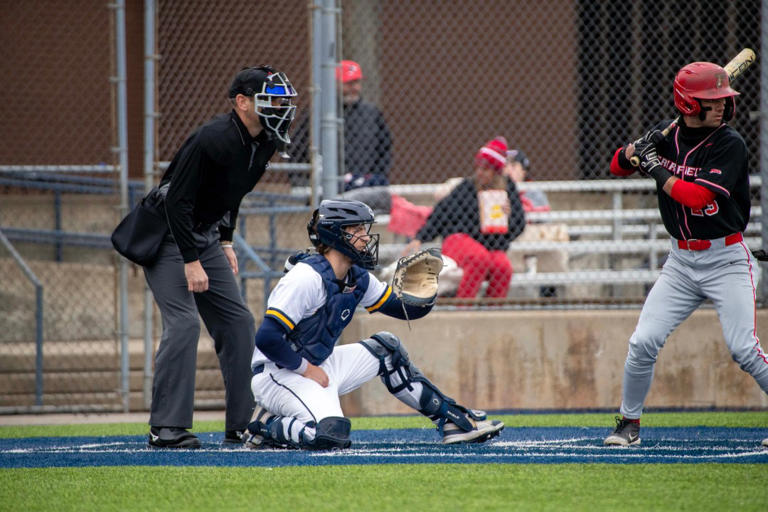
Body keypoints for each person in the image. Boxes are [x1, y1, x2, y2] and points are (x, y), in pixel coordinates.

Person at [243, 199, 504, 450]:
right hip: (279, 372)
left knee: (387, 349)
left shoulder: (357, 278)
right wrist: (306, 369)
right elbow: (267, 338)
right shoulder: (306, 278)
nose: (366, 237)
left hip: (318, 364)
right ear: (335, 235)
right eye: (357, 230)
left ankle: (452, 421)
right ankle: (266, 425)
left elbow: (402, 308)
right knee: (331, 435)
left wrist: (429, 291)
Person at [604, 61, 768, 447]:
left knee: (744, 349)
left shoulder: (730, 143)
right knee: (643, 342)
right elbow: (616, 166)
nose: (723, 105)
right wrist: (635, 151)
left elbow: (696, 197)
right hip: (680, 262)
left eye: (723, 98)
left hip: (726, 259)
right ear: (688, 104)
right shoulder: (667, 135)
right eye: (713, 100)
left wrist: (654, 167)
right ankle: (629, 423)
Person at [143, 65, 297, 449]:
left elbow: (232, 193)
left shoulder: (264, 140)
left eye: (282, 101)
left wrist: (225, 240)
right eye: (270, 100)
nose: (279, 108)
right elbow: (176, 201)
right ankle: (166, 427)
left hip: (205, 235)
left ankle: (242, 424)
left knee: (239, 323)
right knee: (183, 324)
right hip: (167, 235)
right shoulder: (212, 138)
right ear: (242, 102)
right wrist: (191, 260)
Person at [402, 137, 526, 298]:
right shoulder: (467, 188)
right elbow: (440, 212)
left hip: (489, 245)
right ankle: (463, 307)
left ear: (496, 172)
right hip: (458, 239)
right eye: (478, 167)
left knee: (503, 267)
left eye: (486, 169)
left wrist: (509, 215)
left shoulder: (508, 189)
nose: (479, 172)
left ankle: (492, 310)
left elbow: (519, 225)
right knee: (479, 258)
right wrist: (421, 237)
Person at [290, 60, 393, 192]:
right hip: (326, 186)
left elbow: (385, 148)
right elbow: (296, 148)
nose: (355, 88)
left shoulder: (372, 113)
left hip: (364, 185)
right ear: (335, 84)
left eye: (357, 82)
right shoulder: (318, 113)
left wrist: (377, 177)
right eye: (349, 84)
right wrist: (301, 181)